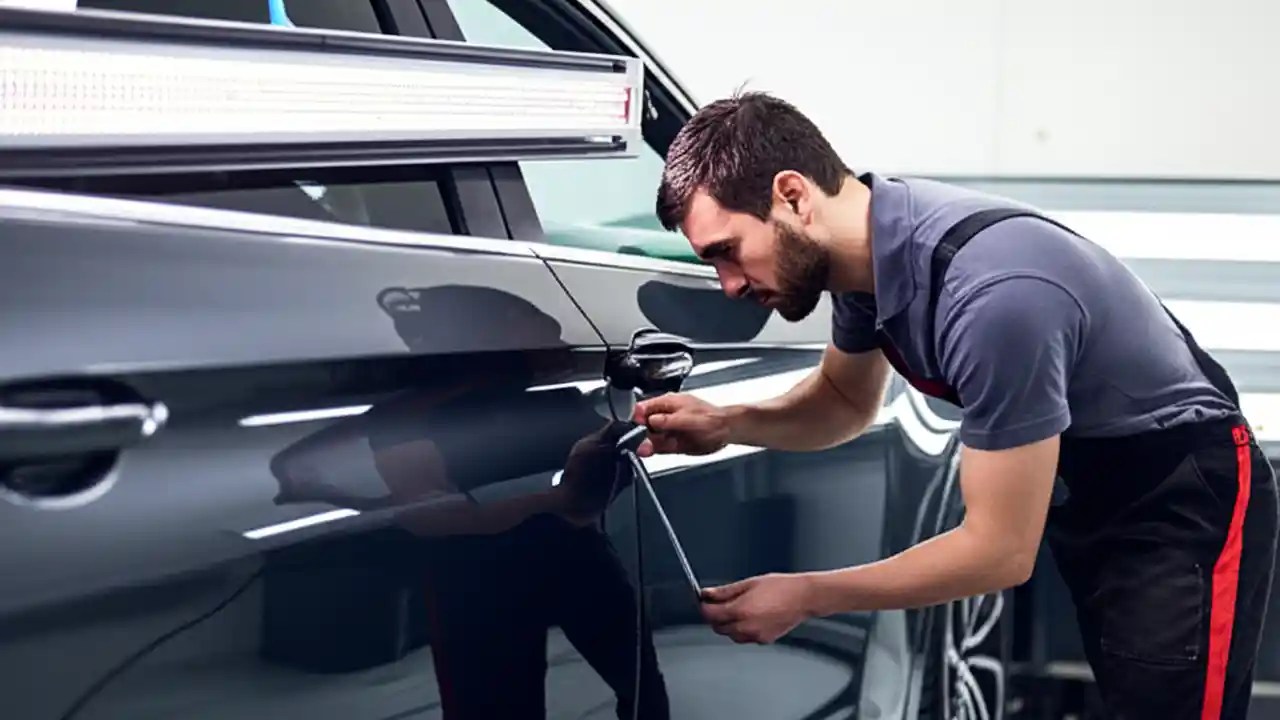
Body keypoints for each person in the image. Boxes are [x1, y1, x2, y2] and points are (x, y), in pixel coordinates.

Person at [634, 91, 1278, 719]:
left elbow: (999, 551)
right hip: (1089, 484)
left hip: (1180, 490)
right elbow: (841, 401)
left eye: (727, 251)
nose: (729, 285)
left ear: (794, 196)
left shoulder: (996, 299)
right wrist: (727, 423)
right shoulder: (858, 259)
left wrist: (808, 595)